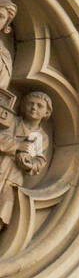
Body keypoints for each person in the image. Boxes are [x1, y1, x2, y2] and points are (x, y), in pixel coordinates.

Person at [0, 90, 53, 229]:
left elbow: (40, 161)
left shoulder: (42, 137)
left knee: (4, 207)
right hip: (1, 165)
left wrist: (29, 164)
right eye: (31, 104)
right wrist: (18, 145)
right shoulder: (13, 122)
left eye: (39, 106)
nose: (34, 108)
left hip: (14, 177)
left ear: (46, 113)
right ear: (23, 106)